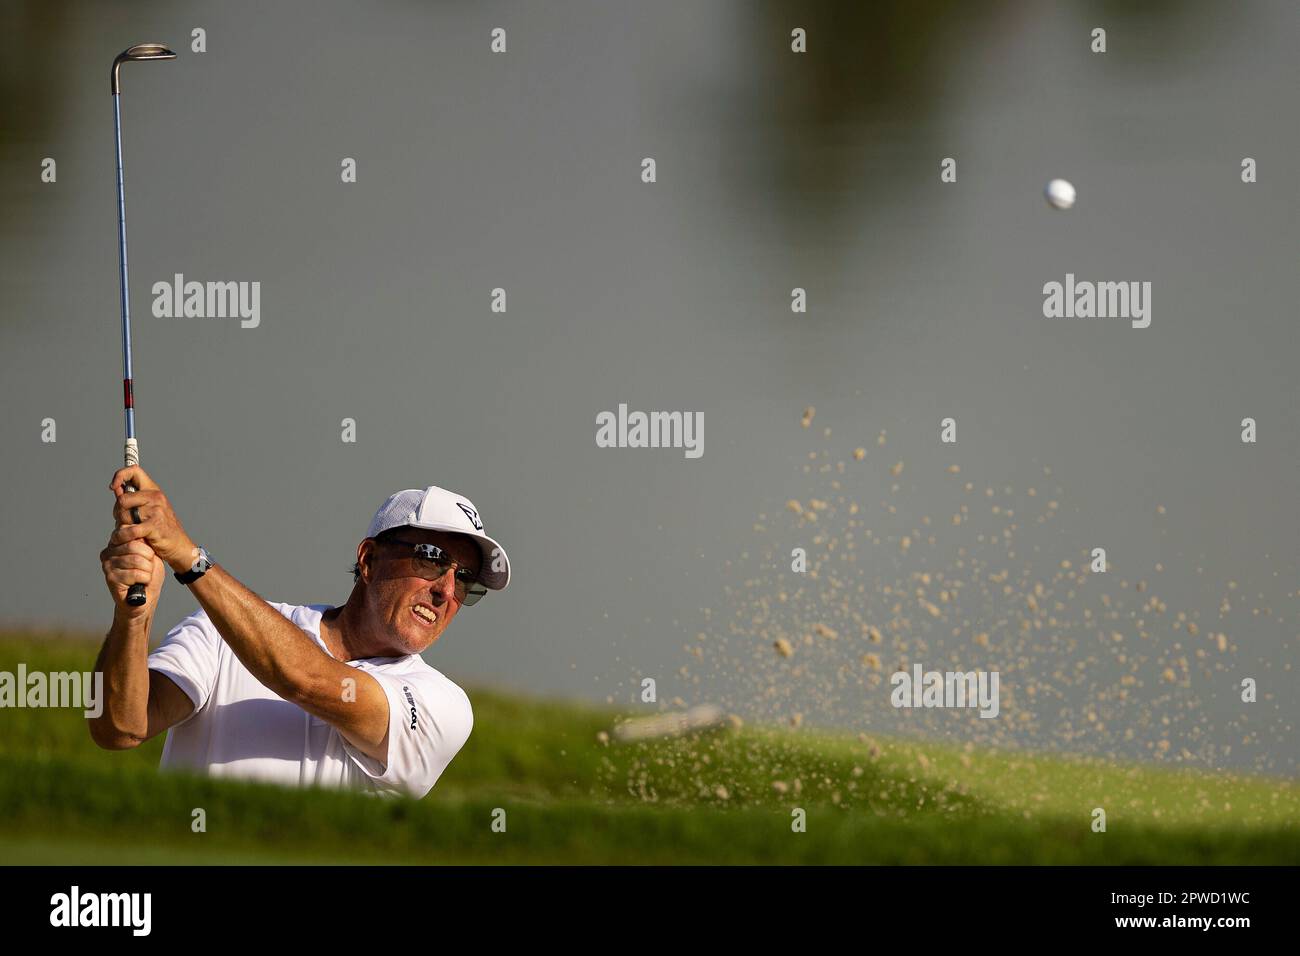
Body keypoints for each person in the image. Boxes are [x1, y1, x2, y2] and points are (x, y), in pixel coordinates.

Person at [88, 466, 510, 798]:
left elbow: (307, 681)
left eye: (466, 578)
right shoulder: (221, 629)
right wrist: (131, 618)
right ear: (368, 559)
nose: (446, 591)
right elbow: (119, 727)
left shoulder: (445, 706)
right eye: (431, 559)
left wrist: (187, 557)